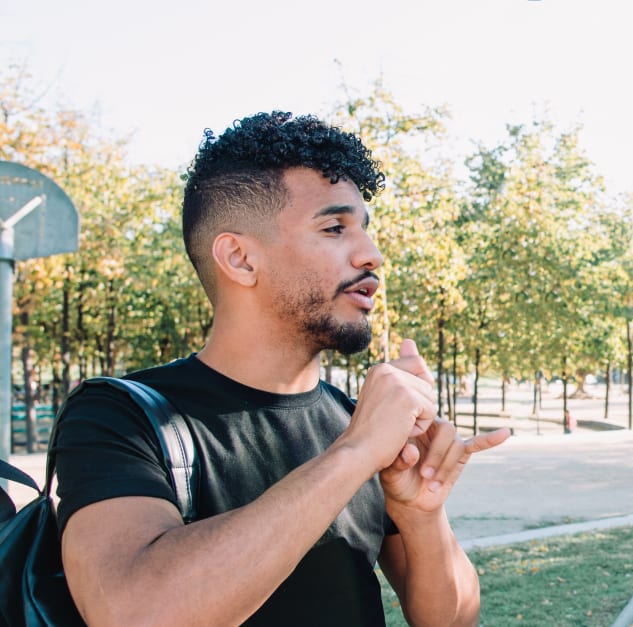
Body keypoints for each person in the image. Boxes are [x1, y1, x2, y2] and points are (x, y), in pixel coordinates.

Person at [52, 111, 509, 626]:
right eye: (335, 228)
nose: (371, 255)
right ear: (241, 259)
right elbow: (134, 612)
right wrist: (354, 455)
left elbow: (453, 621)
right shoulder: (118, 416)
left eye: (366, 230)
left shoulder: (356, 421)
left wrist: (420, 513)